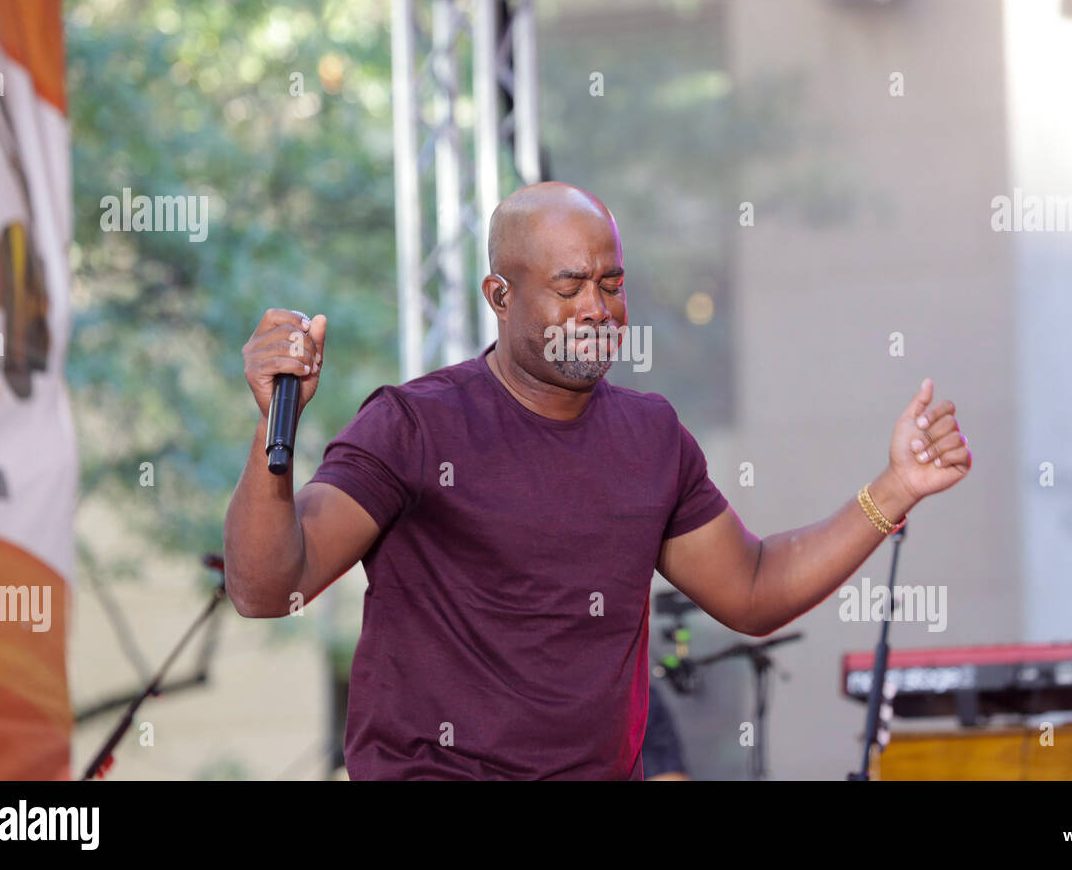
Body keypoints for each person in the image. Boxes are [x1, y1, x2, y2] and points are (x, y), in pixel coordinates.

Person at [222, 181, 972, 780]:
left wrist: (894, 489)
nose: (597, 308)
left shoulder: (649, 436)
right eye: (571, 284)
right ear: (500, 296)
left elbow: (752, 590)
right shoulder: (415, 425)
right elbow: (264, 589)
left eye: (611, 283)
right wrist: (270, 431)